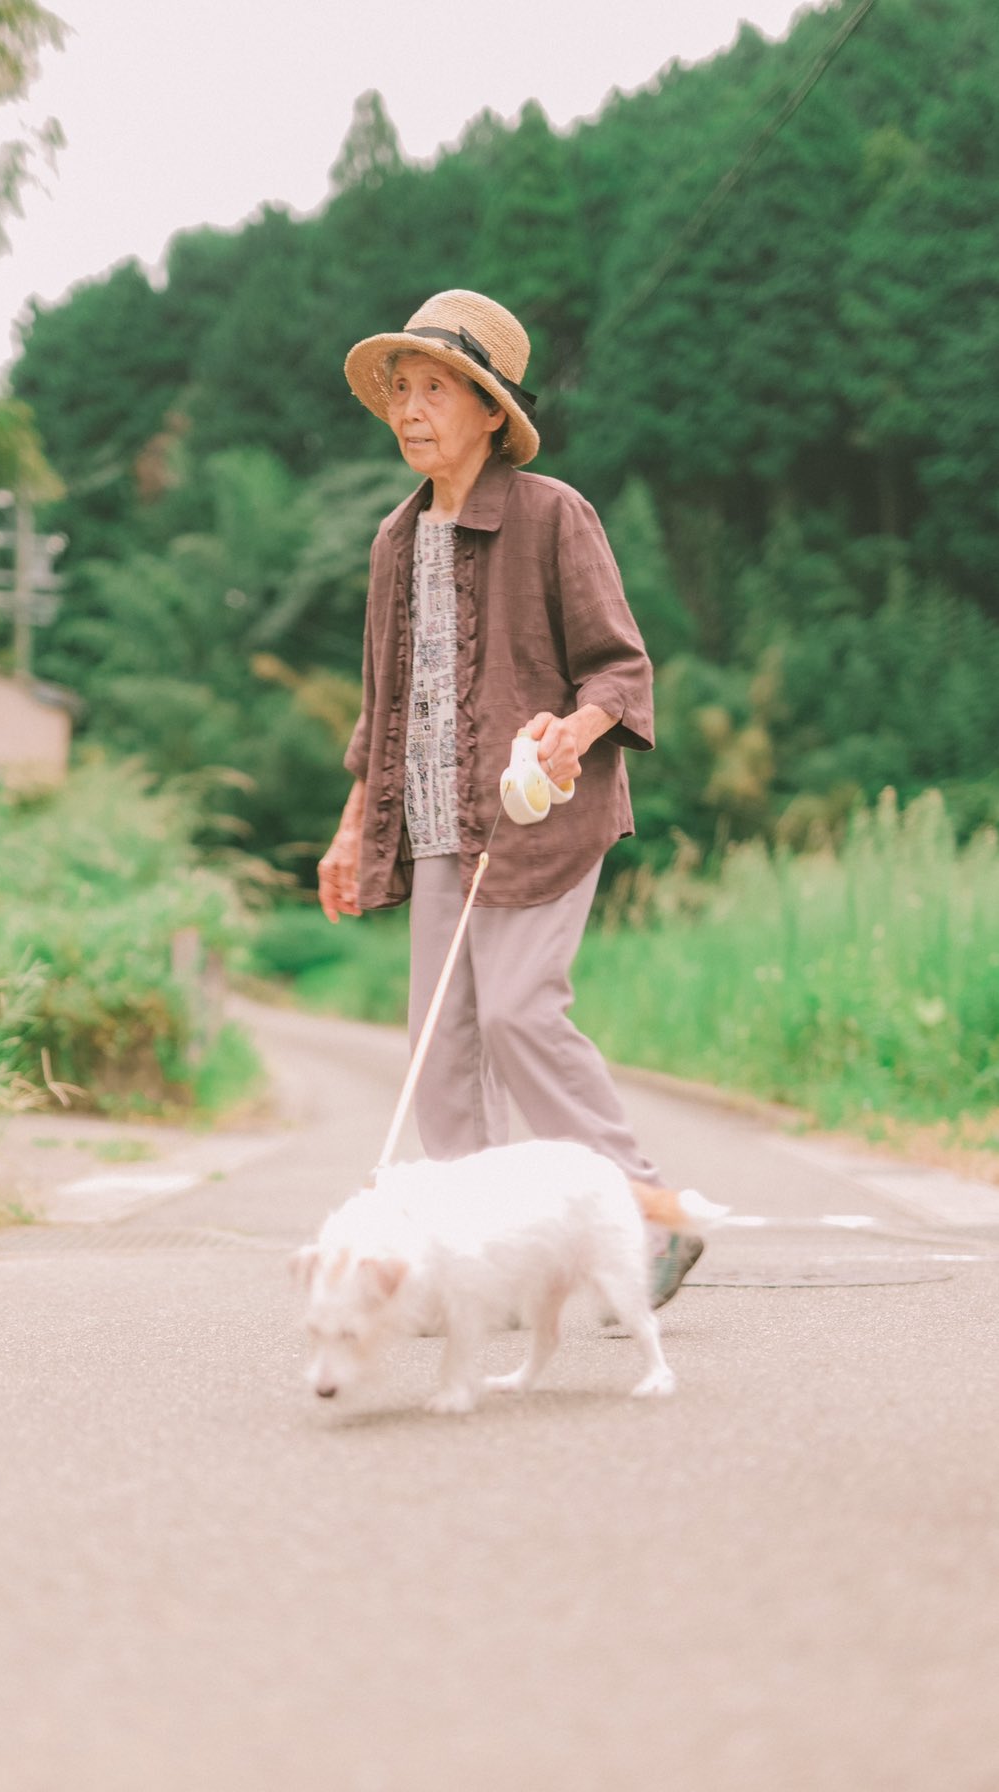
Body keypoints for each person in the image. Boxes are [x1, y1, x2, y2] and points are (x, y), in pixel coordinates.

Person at [317, 289, 702, 1308]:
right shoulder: (392, 543)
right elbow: (379, 702)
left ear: (490, 409)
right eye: (400, 389)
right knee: (441, 1053)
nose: (410, 408)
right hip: (434, 832)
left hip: (538, 820)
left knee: (521, 1013)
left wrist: (571, 734)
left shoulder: (551, 513)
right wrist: (354, 829)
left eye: (434, 387)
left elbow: (618, 670)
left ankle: (649, 1212)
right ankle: (474, 1260)